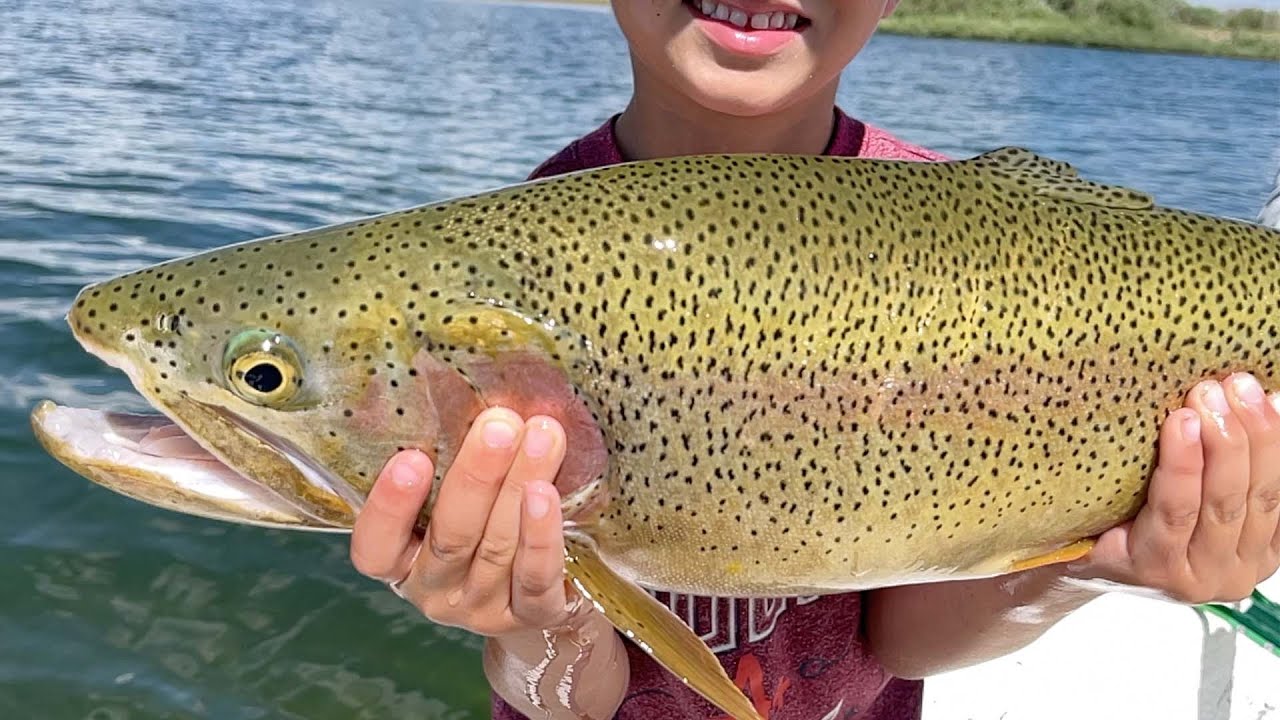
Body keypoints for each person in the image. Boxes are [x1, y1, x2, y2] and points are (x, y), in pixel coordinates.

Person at [347, 2, 1280, 718]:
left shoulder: (968, 239)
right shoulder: (518, 254)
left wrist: (1099, 563)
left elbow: (906, 643)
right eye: (274, 380)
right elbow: (575, 699)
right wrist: (533, 622)